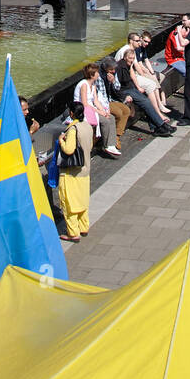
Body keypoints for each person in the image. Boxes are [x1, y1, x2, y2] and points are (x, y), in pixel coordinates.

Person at [57, 102, 94, 242]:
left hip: (72, 172)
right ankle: (84, 226)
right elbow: (89, 146)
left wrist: (61, 141)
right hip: (85, 170)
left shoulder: (73, 129)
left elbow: (69, 149)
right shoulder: (88, 126)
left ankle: (73, 233)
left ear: (72, 113)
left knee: (70, 202)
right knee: (83, 200)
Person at [116, 49, 175, 136]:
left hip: (130, 88)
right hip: (125, 91)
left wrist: (138, 87)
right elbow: (118, 85)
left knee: (146, 102)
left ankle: (155, 127)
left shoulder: (127, 64)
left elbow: (130, 77)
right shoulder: (120, 67)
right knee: (145, 102)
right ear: (125, 57)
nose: (132, 60)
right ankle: (161, 125)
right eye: (130, 58)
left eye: (133, 58)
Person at [74, 64, 121, 156]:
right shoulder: (84, 85)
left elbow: (95, 100)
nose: (98, 74)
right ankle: (106, 144)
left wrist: (104, 110)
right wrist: (100, 112)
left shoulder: (93, 84)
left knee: (110, 117)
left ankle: (111, 144)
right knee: (105, 121)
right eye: (97, 72)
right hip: (82, 110)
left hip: (91, 108)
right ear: (92, 75)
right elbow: (85, 104)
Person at [97, 59, 132, 148]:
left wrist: (113, 81)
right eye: (111, 70)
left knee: (126, 110)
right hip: (103, 102)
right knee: (118, 113)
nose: (114, 71)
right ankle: (113, 137)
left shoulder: (113, 72)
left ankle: (117, 135)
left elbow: (118, 87)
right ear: (106, 68)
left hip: (111, 99)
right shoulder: (99, 76)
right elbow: (102, 95)